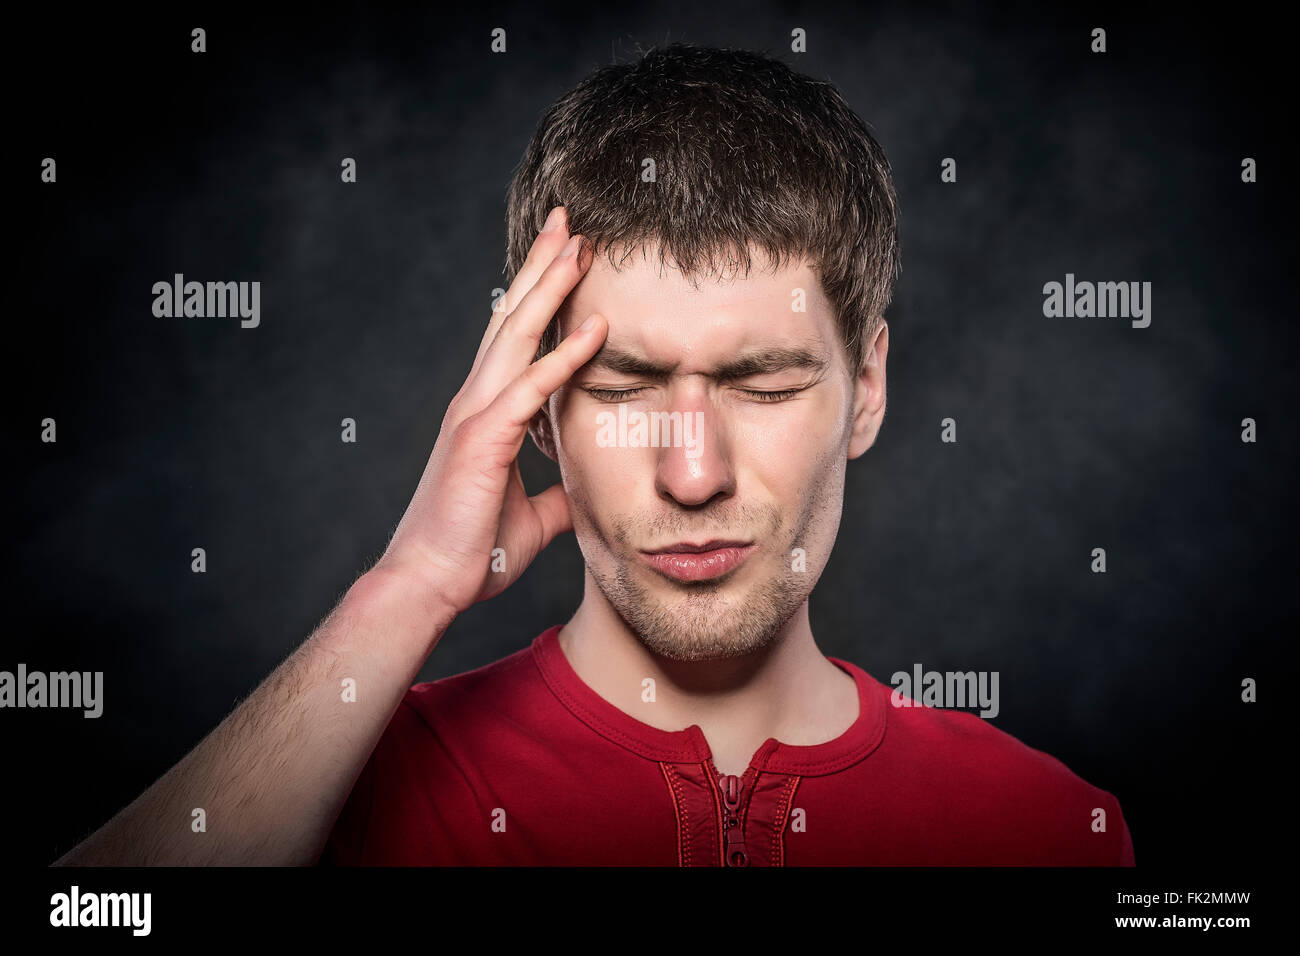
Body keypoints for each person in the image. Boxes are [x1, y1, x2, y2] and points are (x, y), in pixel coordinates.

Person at [55, 43, 1133, 867]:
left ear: (870, 389)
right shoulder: (338, 801)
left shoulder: (1046, 829)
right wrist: (406, 590)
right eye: (621, 387)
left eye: (763, 383)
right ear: (532, 406)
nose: (692, 472)